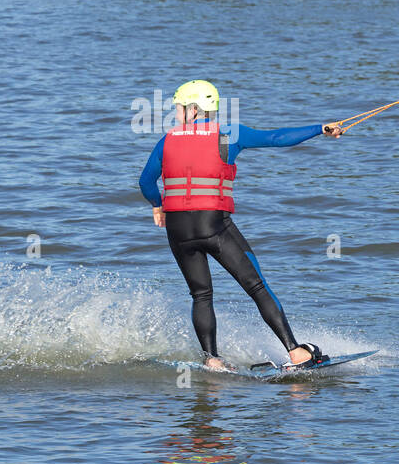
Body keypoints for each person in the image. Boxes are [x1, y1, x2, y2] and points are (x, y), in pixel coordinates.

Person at [139, 79, 345, 372]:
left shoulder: (168, 139)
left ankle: (212, 359)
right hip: (214, 227)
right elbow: (276, 138)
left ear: (195, 110)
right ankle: (296, 352)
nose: (176, 114)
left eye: (179, 108)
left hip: (179, 231)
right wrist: (319, 129)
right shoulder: (228, 134)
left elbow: (146, 181)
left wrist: (157, 206)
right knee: (257, 286)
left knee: (201, 295)